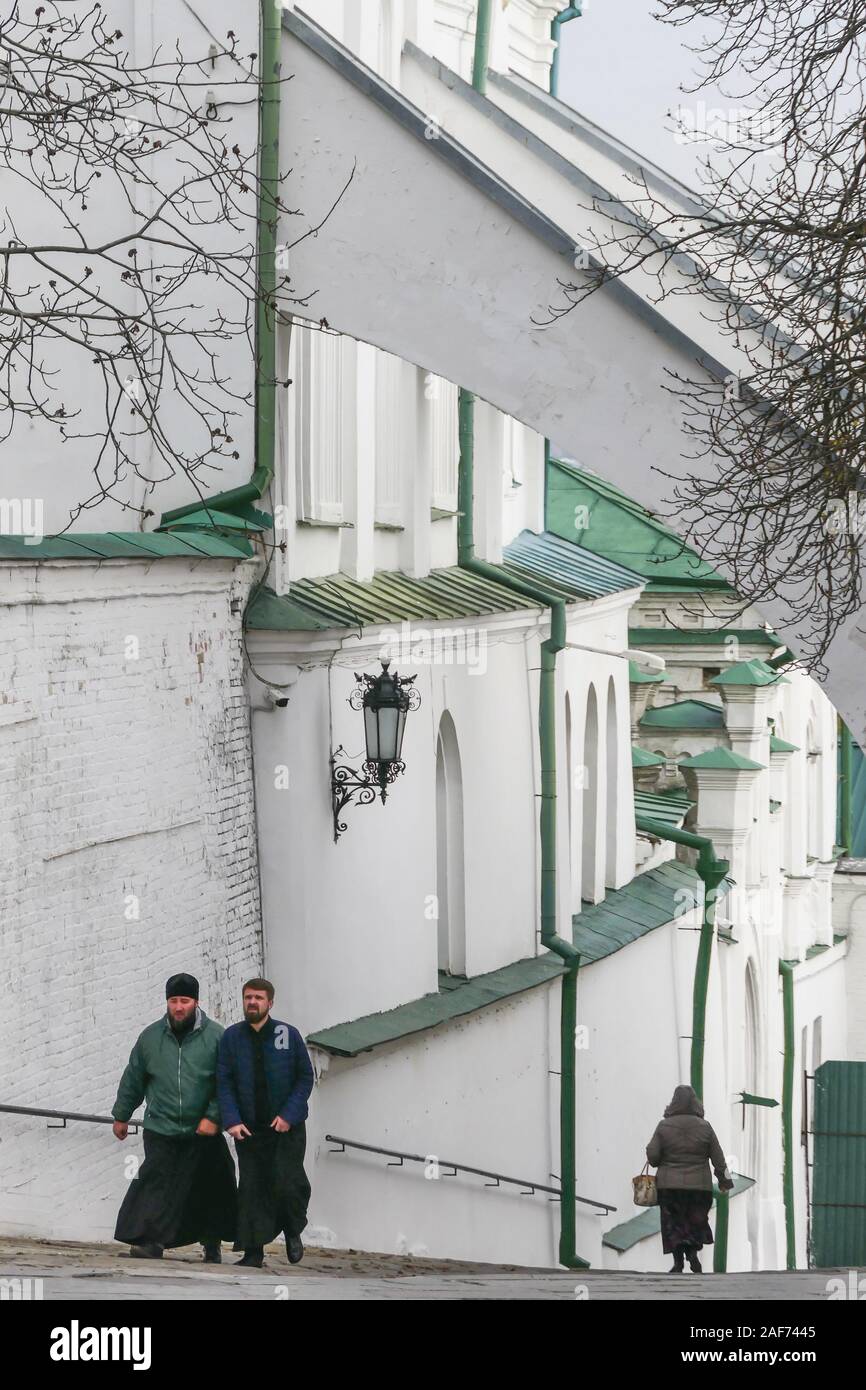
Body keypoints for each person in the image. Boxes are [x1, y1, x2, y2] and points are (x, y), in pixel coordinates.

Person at [111, 973, 236, 1261]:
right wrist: (121, 1115)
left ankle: (211, 1243)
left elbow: (226, 1082)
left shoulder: (217, 1036)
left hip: (203, 1129)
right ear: (167, 1002)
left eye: (185, 1001)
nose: (179, 1007)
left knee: (211, 1186)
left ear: (196, 1002)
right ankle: (150, 1242)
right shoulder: (150, 1037)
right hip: (161, 1126)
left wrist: (213, 1117)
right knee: (156, 1185)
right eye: (173, 1001)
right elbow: (134, 1078)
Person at [217, 978, 314, 1268]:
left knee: (287, 1183)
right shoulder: (232, 1038)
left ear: (270, 1003)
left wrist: (288, 1115)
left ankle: (293, 1230)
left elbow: (305, 1078)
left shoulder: (288, 1034)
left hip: (286, 1129)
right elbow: (223, 1082)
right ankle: (253, 1252)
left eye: (258, 998)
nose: (252, 1002)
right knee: (251, 1189)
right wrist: (231, 1120)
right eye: (248, 997)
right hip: (249, 1130)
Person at [646, 1083, 734, 1274]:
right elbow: (719, 1159)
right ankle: (692, 1255)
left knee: (673, 1224)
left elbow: (652, 1157)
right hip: (698, 1188)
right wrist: (725, 1181)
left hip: (669, 1188)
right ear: (695, 1103)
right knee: (694, 1222)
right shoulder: (705, 1127)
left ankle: (678, 1262)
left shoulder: (663, 1126)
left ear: (673, 1102)